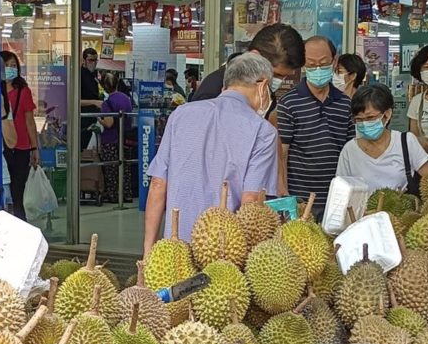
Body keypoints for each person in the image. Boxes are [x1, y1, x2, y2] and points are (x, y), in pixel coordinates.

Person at [143, 52, 281, 247]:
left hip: (175, 251)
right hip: (225, 252)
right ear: (262, 86)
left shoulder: (180, 115)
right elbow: (251, 202)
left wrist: (148, 254)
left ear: (226, 85)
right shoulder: (263, 131)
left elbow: (158, 184)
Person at [276, 36, 353, 203]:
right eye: (311, 64)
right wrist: (284, 193)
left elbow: (351, 150)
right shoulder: (288, 103)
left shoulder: (345, 103)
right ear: (303, 64)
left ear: (334, 61)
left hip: (336, 197)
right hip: (299, 197)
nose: (318, 68)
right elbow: (282, 152)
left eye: (324, 63)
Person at [337, 84, 428, 193]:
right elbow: (341, 191)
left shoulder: (406, 142)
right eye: (359, 119)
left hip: (400, 208)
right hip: (361, 210)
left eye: (370, 117)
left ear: (387, 114)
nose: (365, 123)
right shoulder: (350, 150)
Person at [190, 23, 306, 103]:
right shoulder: (211, 94)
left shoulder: (262, 90)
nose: (278, 81)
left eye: (284, 76)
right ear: (255, 56)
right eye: (276, 75)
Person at [0, 52, 40, 222]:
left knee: (17, 190)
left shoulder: (23, 91)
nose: (11, 69)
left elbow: (30, 122)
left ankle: (20, 224)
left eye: (14, 65)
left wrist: (34, 147)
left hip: (21, 147)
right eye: (7, 65)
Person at [99, 75, 136, 203]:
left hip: (111, 140)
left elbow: (108, 123)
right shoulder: (126, 98)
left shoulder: (107, 103)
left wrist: (99, 119)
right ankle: (126, 194)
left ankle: (114, 195)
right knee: (125, 169)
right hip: (125, 139)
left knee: (111, 169)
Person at [80, 46, 105, 143]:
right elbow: (75, 101)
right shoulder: (79, 75)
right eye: (91, 60)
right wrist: (94, 102)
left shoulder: (94, 74)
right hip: (83, 118)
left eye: (95, 60)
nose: (93, 63)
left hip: (94, 117)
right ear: (84, 60)